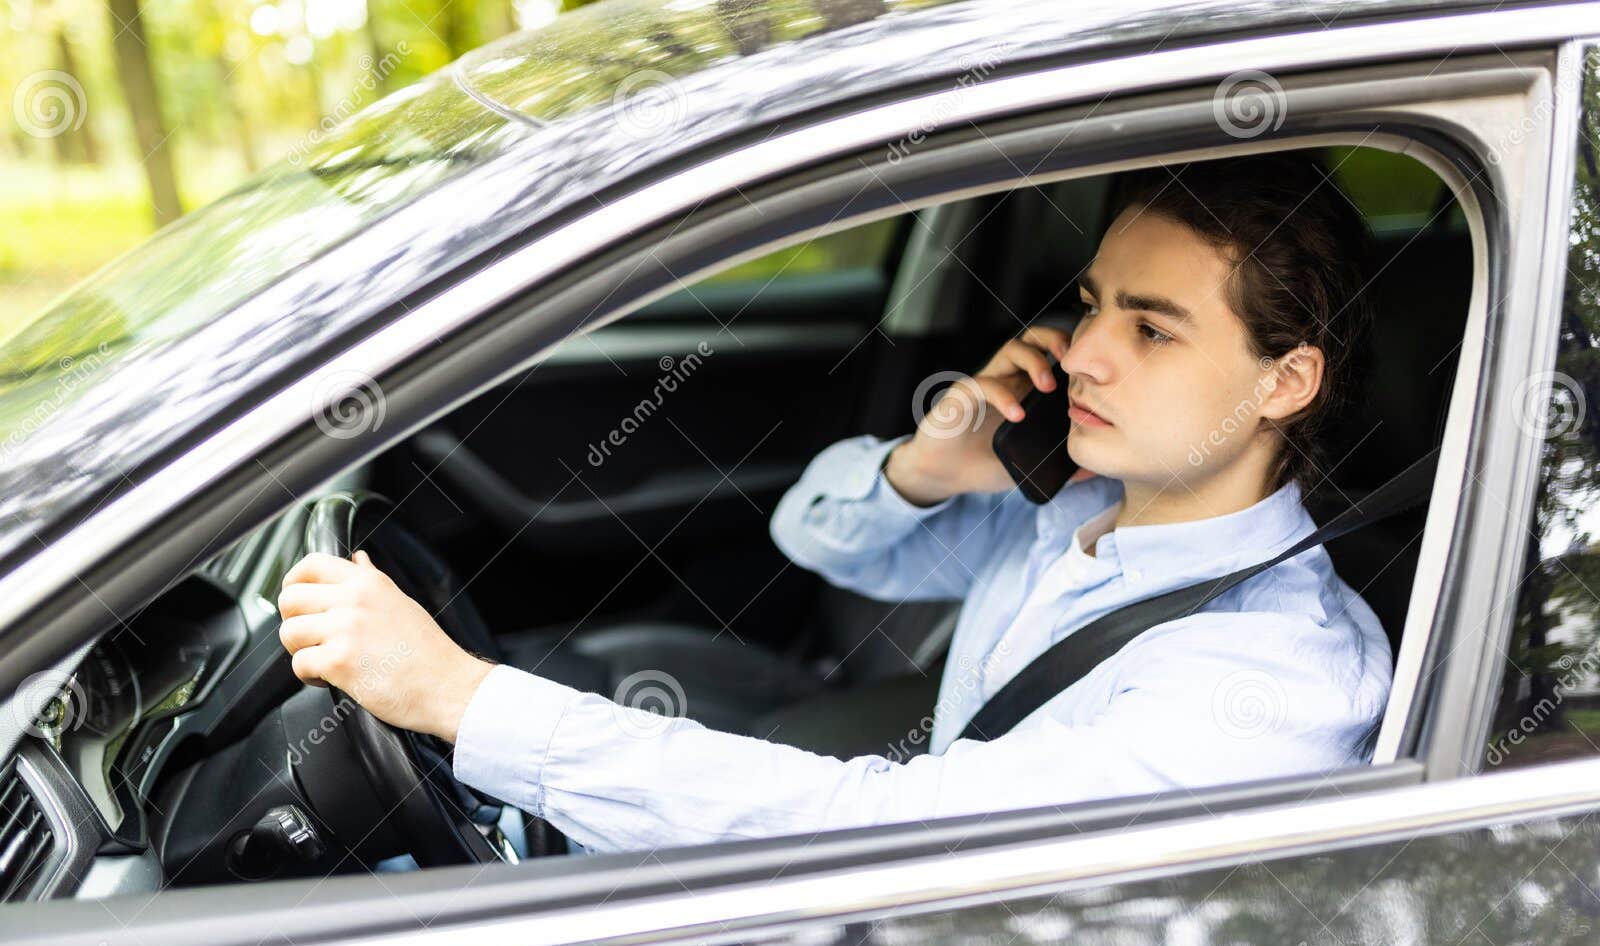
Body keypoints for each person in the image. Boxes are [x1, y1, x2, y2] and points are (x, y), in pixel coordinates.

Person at [276, 152, 1392, 855]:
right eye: (1091, 302)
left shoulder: (1265, 675)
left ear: (1284, 379)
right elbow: (812, 532)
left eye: (1150, 328)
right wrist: (930, 463)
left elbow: (888, 836)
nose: (1085, 349)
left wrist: (463, 697)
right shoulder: (1076, 502)